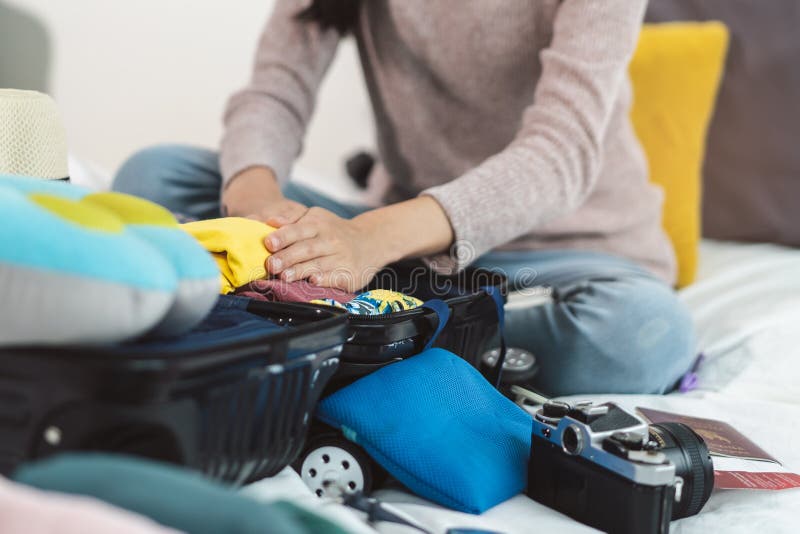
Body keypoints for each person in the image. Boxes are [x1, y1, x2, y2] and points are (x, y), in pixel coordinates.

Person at [113, 0, 695, 396]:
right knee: (158, 174)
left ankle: (341, 321)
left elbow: (560, 153)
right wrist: (258, 200)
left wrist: (366, 238)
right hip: (400, 250)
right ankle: (380, 320)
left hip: (560, 252)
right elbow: (275, 89)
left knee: (643, 334)